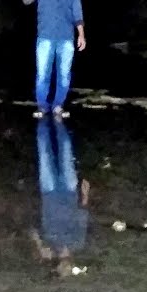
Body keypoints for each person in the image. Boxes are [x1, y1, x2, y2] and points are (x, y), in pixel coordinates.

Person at [22, 0, 85, 119]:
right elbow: (26, 0)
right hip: (45, 36)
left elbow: (77, 11)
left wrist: (81, 34)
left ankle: (58, 105)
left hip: (66, 37)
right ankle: (42, 106)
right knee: (43, 73)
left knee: (64, 74)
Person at [32, 115, 90, 274]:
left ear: (56, 268)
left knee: (44, 150)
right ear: (73, 266)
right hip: (70, 191)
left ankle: (43, 116)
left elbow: (32, 230)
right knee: (65, 147)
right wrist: (85, 194)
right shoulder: (78, 243)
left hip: (49, 191)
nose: (65, 268)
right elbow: (82, 216)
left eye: (61, 271)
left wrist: (39, 246)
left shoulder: (50, 245)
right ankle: (58, 120)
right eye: (68, 271)